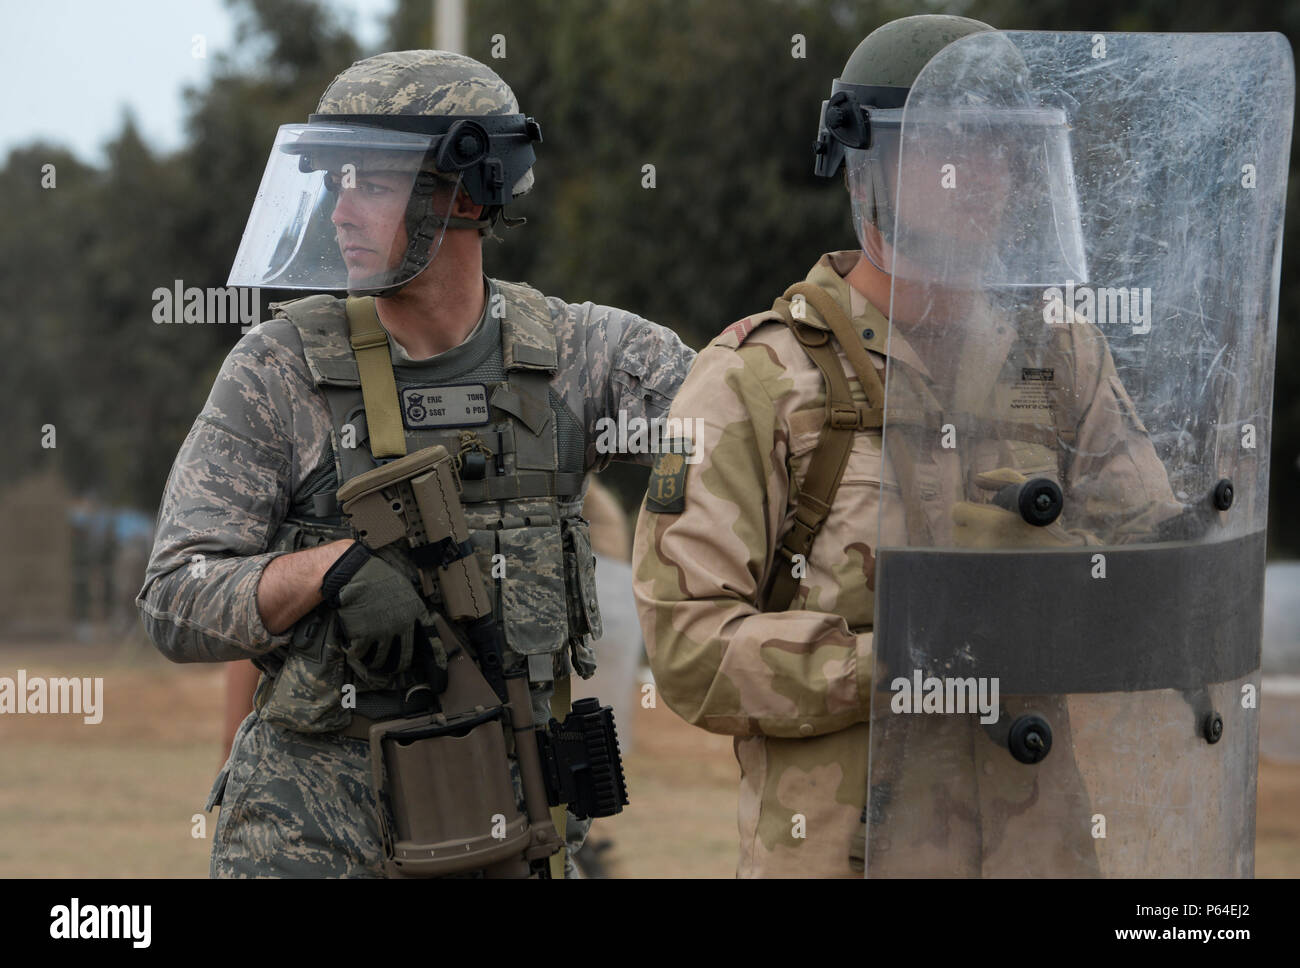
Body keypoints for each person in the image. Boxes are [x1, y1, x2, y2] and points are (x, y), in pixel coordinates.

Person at [631, 14, 1193, 877]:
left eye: (1004, 147)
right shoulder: (758, 379)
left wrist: (1073, 578)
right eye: (950, 144)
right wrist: (910, 657)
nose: (984, 175)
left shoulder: (1062, 355)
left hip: (1041, 855)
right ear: (870, 169)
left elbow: (1155, 587)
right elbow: (689, 653)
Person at [138, 50, 695, 878]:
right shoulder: (278, 370)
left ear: (464, 191)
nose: (338, 211)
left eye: (369, 181)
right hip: (310, 842)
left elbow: (740, 436)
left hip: (511, 832)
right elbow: (174, 597)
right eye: (333, 180)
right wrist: (330, 571)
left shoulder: (586, 355)